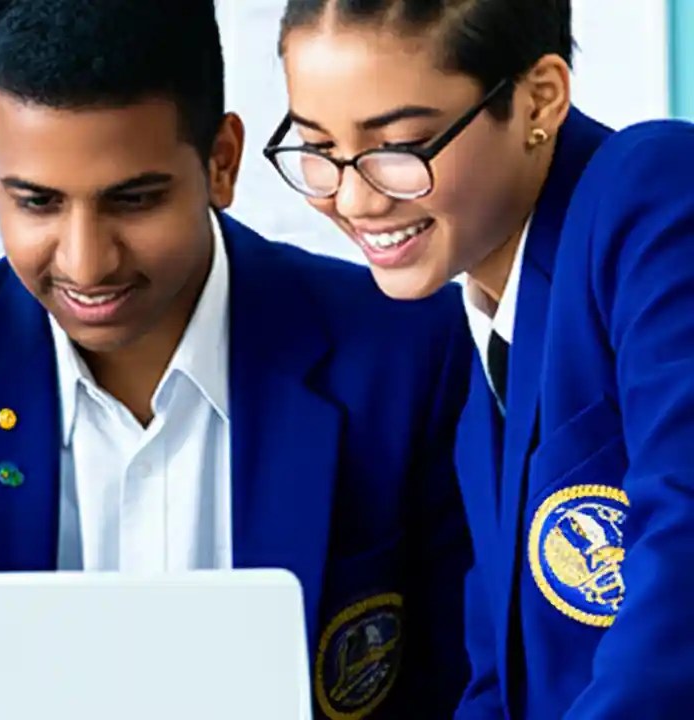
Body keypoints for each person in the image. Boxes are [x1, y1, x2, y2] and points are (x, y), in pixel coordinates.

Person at [0, 1, 474, 716]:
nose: (85, 261)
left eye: (133, 201)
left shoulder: (402, 350)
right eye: (36, 203)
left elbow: (463, 679)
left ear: (221, 162)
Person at [267, 0, 694, 717]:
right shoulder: (480, 345)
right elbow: (497, 679)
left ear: (539, 99)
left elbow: (682, 555)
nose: (353, 198)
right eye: (318, 150)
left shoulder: (648, 195)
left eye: (398, 148)